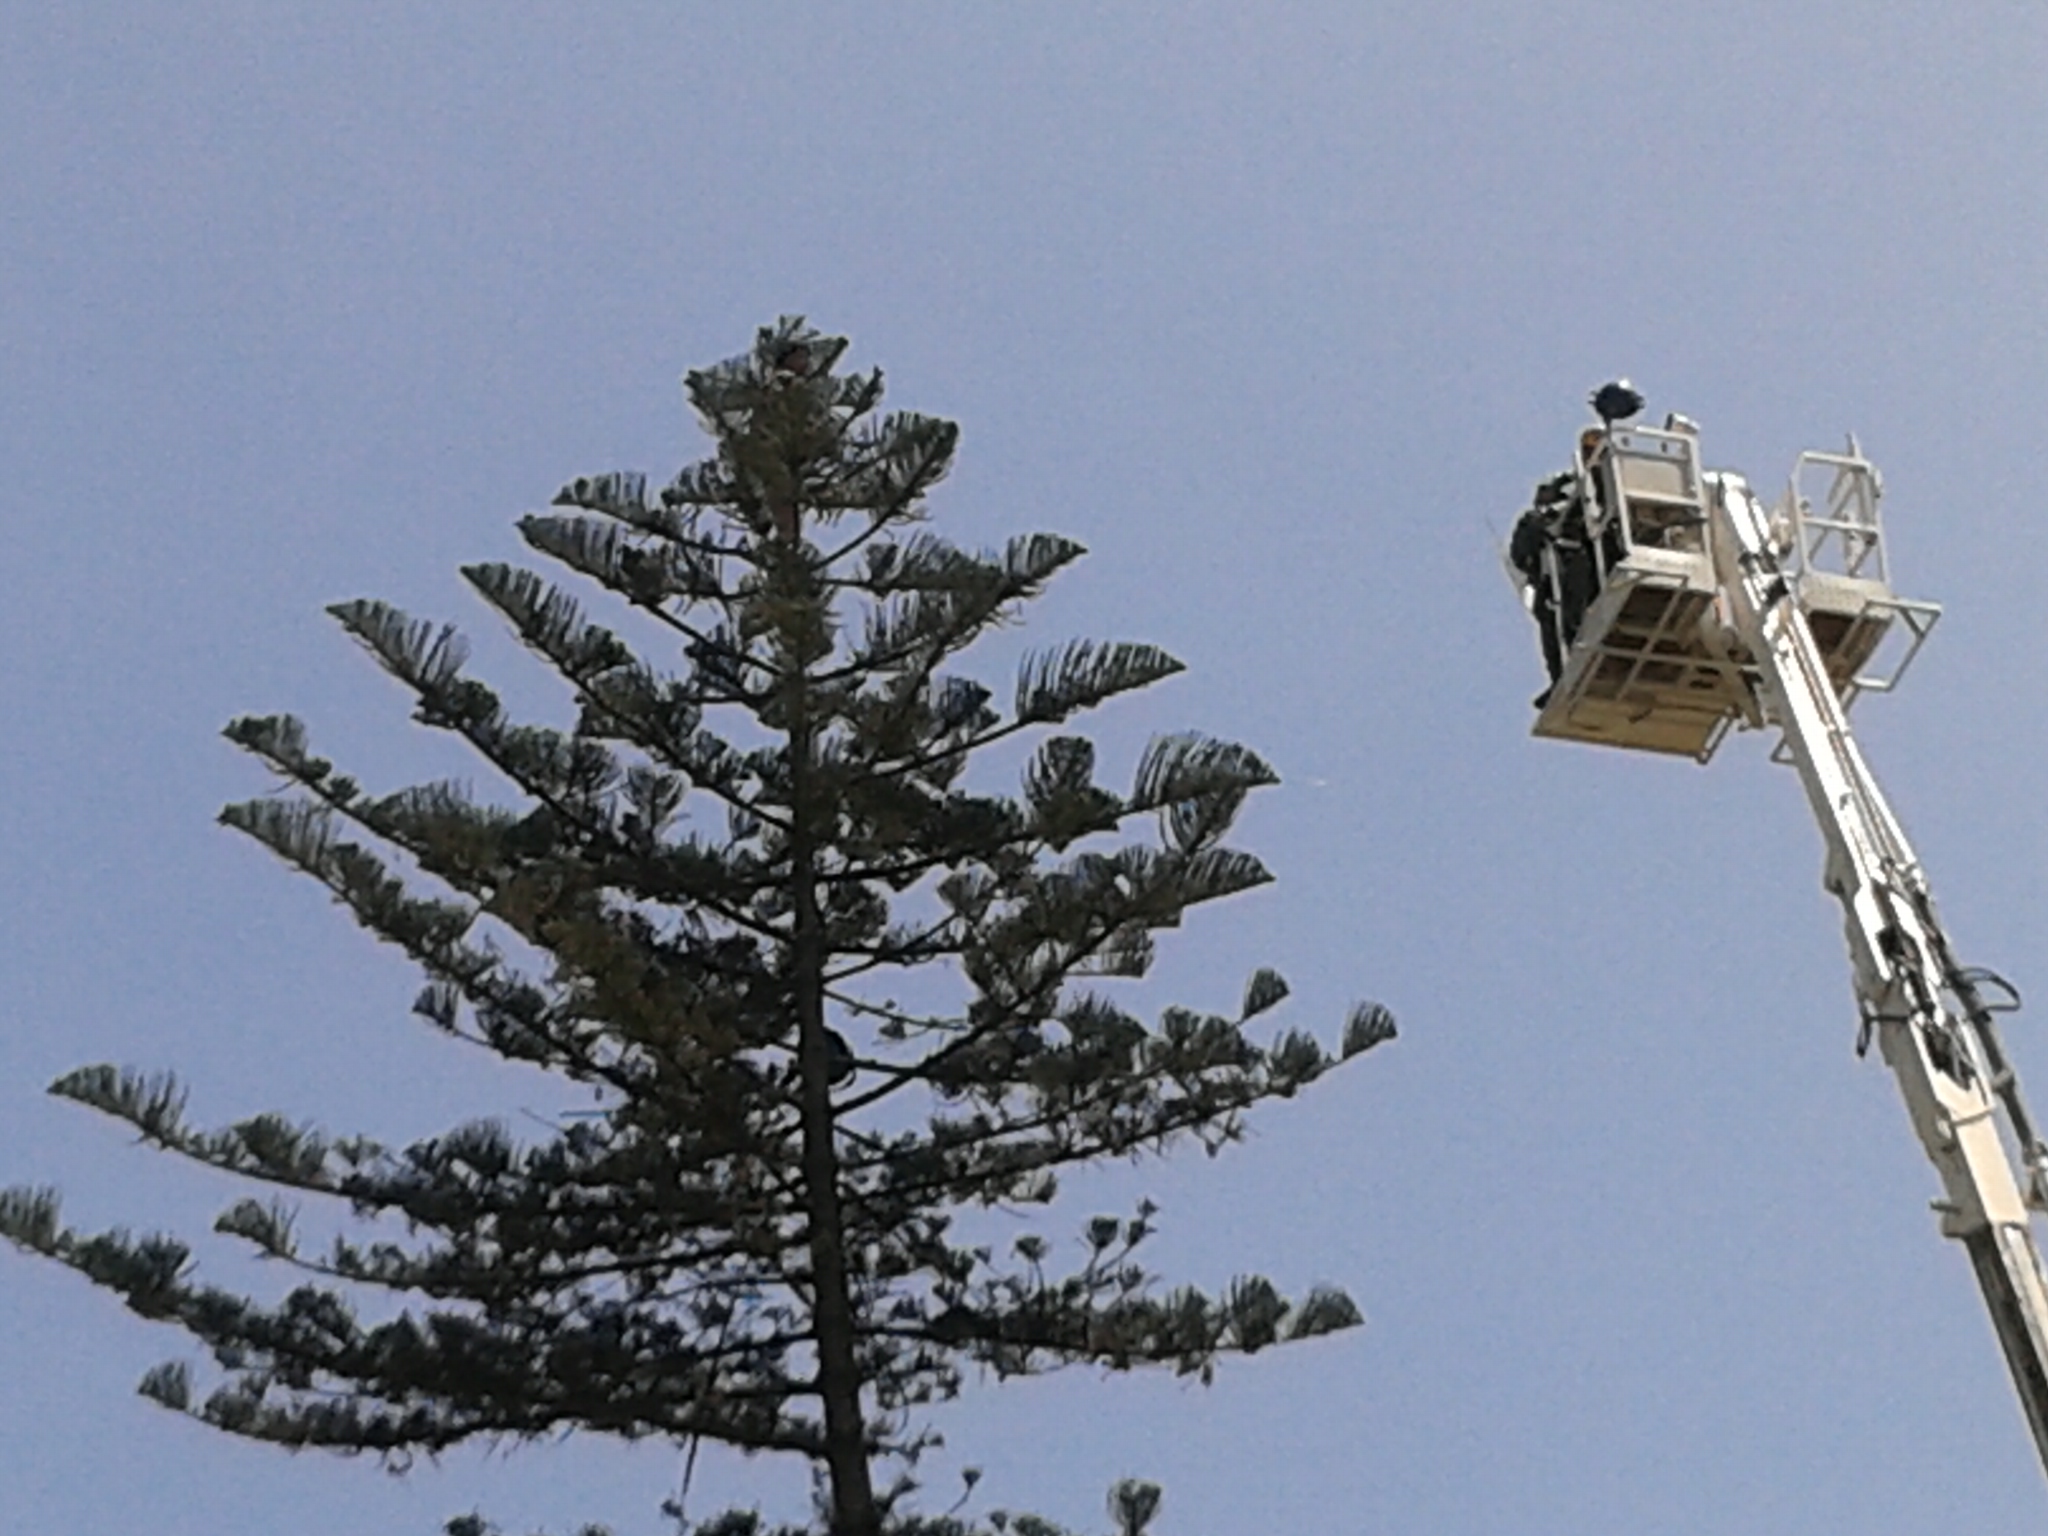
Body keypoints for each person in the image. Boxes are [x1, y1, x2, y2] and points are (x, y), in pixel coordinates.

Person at [1511, 470, 1598, 708]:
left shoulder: (1580, 508)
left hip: (1576, 564)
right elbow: (1519, 554)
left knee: (1574, 618)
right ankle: (1560, 676)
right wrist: (1537, 535)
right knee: (1550, 626)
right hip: (1549, 576)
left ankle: (1584, 663)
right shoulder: (1532, 520)